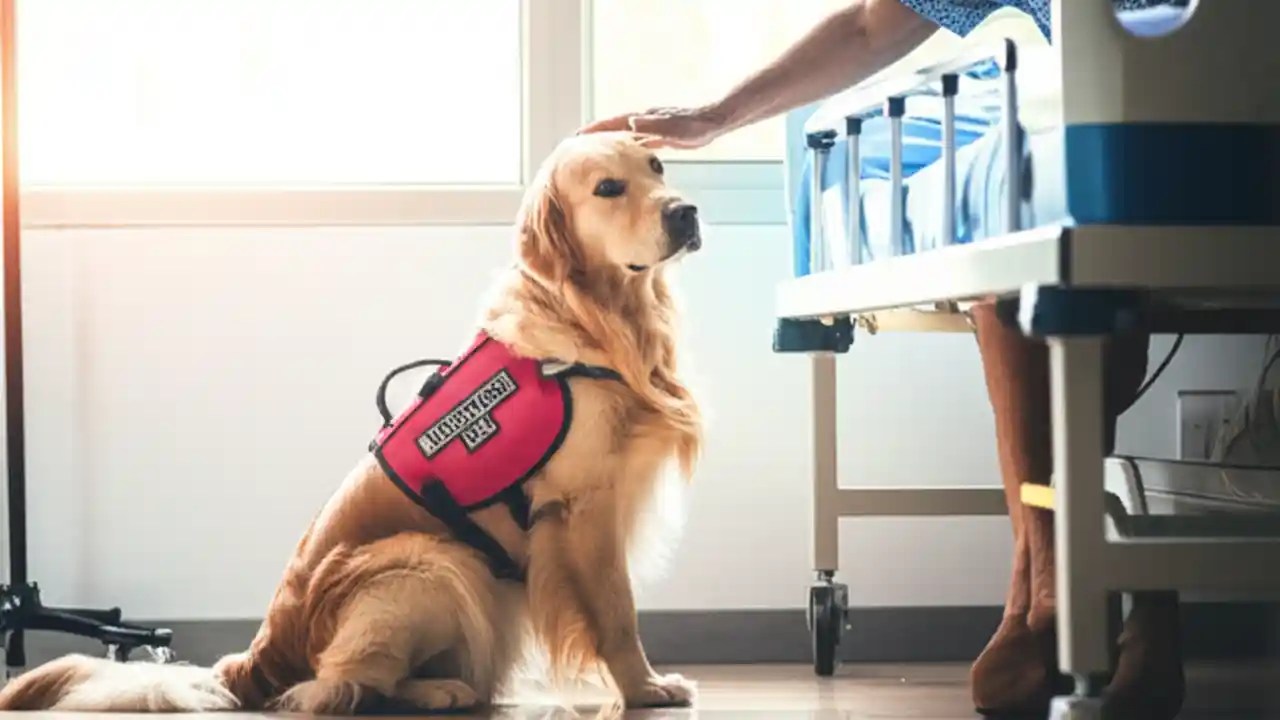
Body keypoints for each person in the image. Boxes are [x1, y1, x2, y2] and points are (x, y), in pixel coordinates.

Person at [580, 1, 1185, 718]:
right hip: (1102, 116)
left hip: (1145, 109)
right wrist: (712, 117)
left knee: (1048, 192)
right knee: (1040, 199)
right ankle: (1086, 575)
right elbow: (873, 24)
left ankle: (1062, 579)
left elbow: (872, 25)